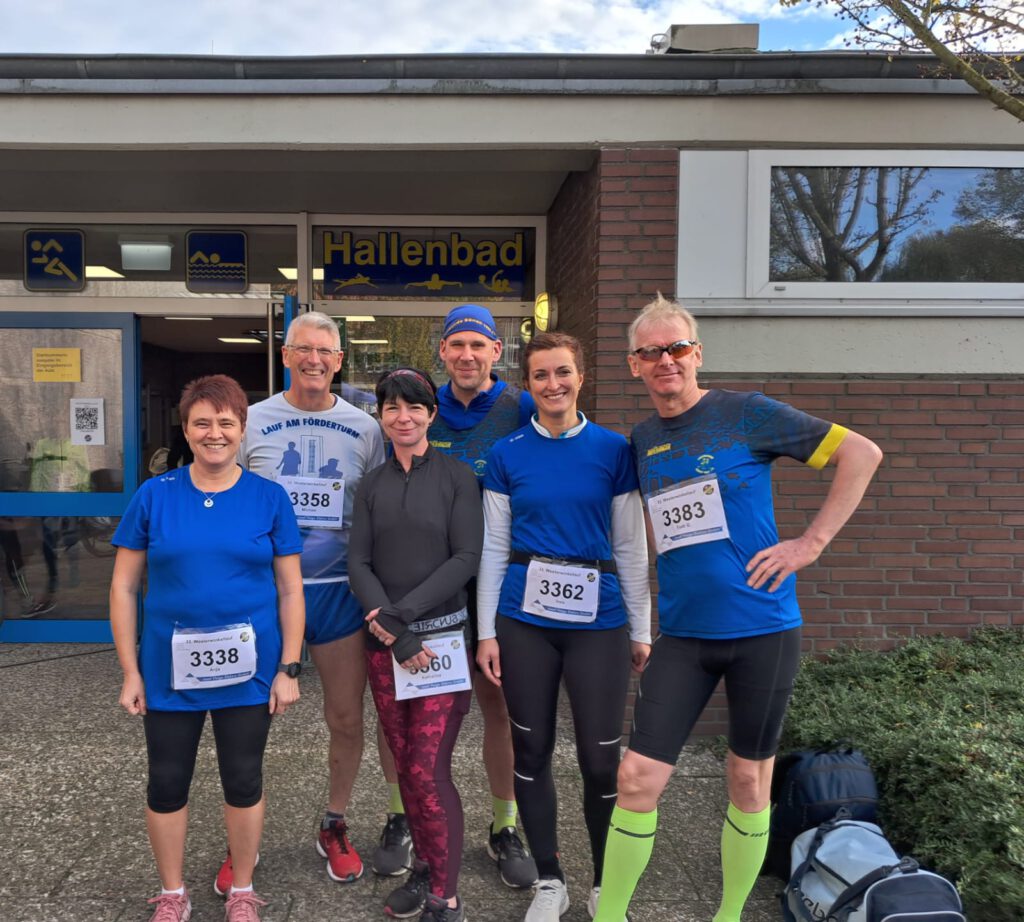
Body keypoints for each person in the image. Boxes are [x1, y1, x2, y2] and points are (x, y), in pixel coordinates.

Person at [592, 294, 883, 922]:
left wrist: (810, 544)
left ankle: (727, 915)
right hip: (686, 636)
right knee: (638, 777)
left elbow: (862, 453)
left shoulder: (746, 413)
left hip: (764, 631)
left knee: (749, 781)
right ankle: (609, 915)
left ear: (696, 353)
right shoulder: (642, 438)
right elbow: (654, 529)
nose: (666, 360)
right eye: (652, 352)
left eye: (677, 348)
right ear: (634, 365)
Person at [109, 374, 305, 922]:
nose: (214, 433)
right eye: (202, 423)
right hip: (169, 670)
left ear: (242, 429)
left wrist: (289, 667)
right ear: (186, 429)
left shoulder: (269, 497)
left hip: (251, 668)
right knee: (167, 780)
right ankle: (172, 893)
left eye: (226, 422)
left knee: (243, 777)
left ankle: (241, 888)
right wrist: (130, 671)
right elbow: (124, 586)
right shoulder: (155, 496)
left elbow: (291, 589)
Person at [476, 332, 652, 922]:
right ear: (528, 385)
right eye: (541, 375)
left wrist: (641, 627)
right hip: (524, 622)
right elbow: (494, 548)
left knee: (602, 759)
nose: (554, 384)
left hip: (598, 623)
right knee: (531, 748)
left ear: (581, 377)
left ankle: (606, 883)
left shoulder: (614, 450)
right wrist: (486, 632)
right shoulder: (507, 454)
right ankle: (551, 881)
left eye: (563, 372)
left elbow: (630, 546)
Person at [372, 303, 538, 890]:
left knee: (498, 707)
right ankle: (401, 814)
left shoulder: (523, 406)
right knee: (402, 705)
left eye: (479, 344)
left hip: (493, 580)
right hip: (420, 591)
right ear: (442, 352)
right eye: (456, 344)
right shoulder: (418, 406)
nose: (467, 354)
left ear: (498, 351)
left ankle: (504, 825)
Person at [238, 311, 385, 890]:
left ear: (340, 360)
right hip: (267, 599)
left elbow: (376, 511)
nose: (315, 360)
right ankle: (241, 838)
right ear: (285, 354)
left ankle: (335, 821)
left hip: (336, 597)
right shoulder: (250, 421)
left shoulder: (366, 428)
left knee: (346, 718)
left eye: (326, 351)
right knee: (249, 725)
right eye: (304, 349)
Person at [350, 367, 483, 922]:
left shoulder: (457, 478)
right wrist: (392, 629)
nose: (403, 417)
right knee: (405, 767)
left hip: (441, 645)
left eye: (414, 408)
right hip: (386, 646)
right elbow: (357, 561)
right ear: (381, 417)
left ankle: (446, 896)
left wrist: (402, 617)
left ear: (431, 414)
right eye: (391, 408)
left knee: (430, 770)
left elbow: (465, 559)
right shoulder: (371, 486)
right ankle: (426, 868)